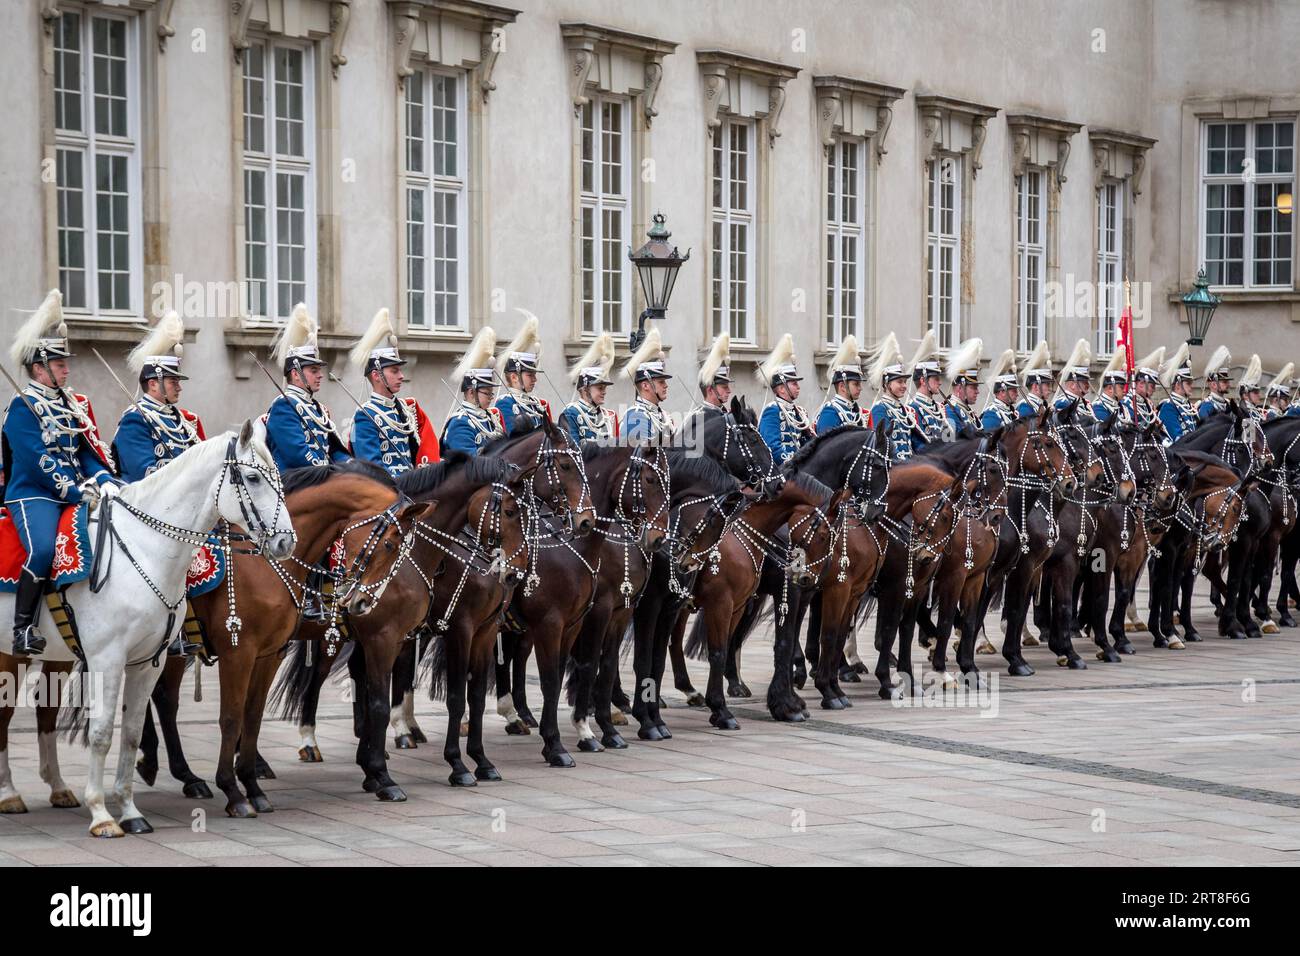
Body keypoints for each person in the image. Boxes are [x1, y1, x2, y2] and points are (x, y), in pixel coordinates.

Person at [2, 289, 118, 656]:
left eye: (65, 363)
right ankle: (23, 628)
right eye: (59, 364)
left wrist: (104, 481)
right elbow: (37, 460)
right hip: (33, 494)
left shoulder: (75, 404)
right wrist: (72, 491)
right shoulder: (23, 408)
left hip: (78, 490)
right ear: (39, 368)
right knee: (43, 549)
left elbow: (90, 451)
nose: (67, 369)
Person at [113, 312, 204, 483]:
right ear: (153, 384)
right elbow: (144, 475)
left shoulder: (182, 420)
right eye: (173, 382)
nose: (179, 387)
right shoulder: (136, 418)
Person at [349, 307, 439, 477]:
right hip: (386, 493)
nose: (401, 376)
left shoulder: (403, 410)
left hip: (410, 486)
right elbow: (371, 468)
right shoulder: (366, 415)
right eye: (395, 371)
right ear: (376, 375)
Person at [265, 303, 350, 472]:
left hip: (321, 478)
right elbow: (297, 455)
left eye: (319, 370)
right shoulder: (284, 406)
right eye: (313, 370)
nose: (320, 375)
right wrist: (332, 473)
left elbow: (334, 449)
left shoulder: (317, 408)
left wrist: (351, 466)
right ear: (296, 374)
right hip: (296, 481)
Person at [443, 327, 505, 455]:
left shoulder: (491, 419)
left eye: (491, 393)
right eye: (487, 393)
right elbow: (470, 465)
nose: (491, 397)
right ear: (471, 392)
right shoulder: (460, 422)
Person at [757, 333, 814, 462]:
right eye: (794, 383)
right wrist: (795, 465)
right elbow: (772, 448)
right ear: (782, 388)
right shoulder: (772, 411)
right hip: (781, 472)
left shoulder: (798, 412)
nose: (798, 387)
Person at [494, 313, 551, 435]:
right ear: (514, 377)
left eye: (534, 375)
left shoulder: (537, 405)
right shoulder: (505, 403)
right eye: (530, 375)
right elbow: (513, 440)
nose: (535, 379)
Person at [559, 333, 618, 445]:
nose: (604, 392)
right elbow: (573, 451)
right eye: (600, 388)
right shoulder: (572, 413)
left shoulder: (607, 416)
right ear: (585, 389)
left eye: (604, 388)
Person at [623, 327, 677, 444]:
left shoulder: (665, 416)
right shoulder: (636, 415)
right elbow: (639, 459)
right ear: (645, 385)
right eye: (661, 382)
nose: (666, 385)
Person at [867, 332, 915, 462]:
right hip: (891, 467)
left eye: (905, 382)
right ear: (887, 384)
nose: (904, 386)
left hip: (908, 466)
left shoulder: (904, 410)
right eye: (899, 382)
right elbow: (882, 445)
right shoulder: (880, 409)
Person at [815, 334, 866, 432]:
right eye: (856, 384)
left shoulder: (856, 412)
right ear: (842, 386)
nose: (860, 388)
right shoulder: (831, 411)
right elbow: (827, 446)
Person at [906, 330, 946, 449]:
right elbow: (917, 446)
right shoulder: (912, 408)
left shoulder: (940, 408)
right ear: (923, 381)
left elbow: (949, 439)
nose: (940, 382)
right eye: (936, 378)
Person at [1157, 344, 1198, 443]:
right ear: (1178, 385)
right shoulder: (1168, 407)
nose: (1191, 386)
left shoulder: (1187, 406)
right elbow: (1178, 440)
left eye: (1191, 383)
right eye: (1188, 383)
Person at [944, 337, 983, 436]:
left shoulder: (968, 412)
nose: (977, 391)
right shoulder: (949, 410)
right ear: (960, 387)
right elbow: (948, 445)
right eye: (973, 387)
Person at [1125, 347, 1166, 435]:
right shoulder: (1126, 403)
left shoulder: (1147, 404)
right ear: (1141, 383)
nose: (1154, 390)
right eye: (1152, 386)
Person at [1054, 338, 1096, 422]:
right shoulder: (1063, 403)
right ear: (1073, 384)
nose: (1087, 385)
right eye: (1084, 382)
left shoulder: (1085, 404)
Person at [980, 350, 1019, 429]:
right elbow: (988, 440)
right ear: (1002, 392)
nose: (1017, 394)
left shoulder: (1011, 412)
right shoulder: (992, 414)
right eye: (1014, 390)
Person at [1017, 341, 1053, 419]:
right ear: (1036, 386)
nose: (1050, 389)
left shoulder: (1042, 405)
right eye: (1047, 384)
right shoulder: (1025, 407)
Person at [1092, 351, 1130, 424]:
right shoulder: (1099, 407)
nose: (1125, 390)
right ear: (1110, 388)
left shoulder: (1122, 407)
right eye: (1121, 387)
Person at [1198, 345, 1232, 421]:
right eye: (1224, 382)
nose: (1229, 384)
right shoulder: (1206, 406)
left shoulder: (1228, 405)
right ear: (1213, 384)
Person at [1236, 354, 1265, 422]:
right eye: (1255, 392)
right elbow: (1250, 432)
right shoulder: (1244, 413)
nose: (1259, 395)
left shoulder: (1254, 411)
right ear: (1245, 395)